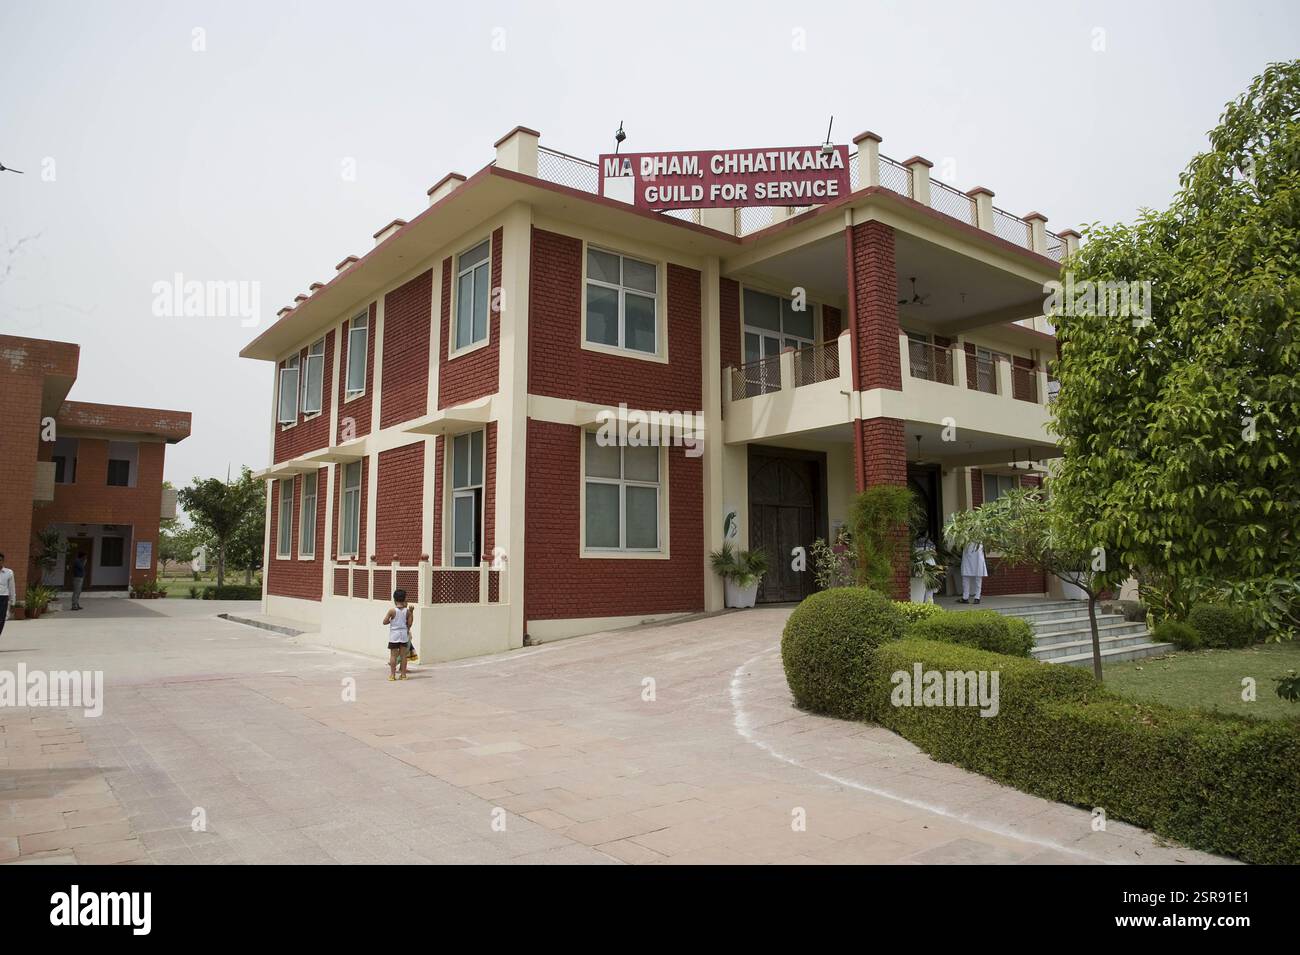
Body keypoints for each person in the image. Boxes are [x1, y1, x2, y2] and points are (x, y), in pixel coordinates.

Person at [382, 589, 414, 682]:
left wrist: (390, 620)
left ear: (394, 599)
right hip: (403, 634)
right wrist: (411, 613)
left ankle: (392, 675)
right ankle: (403, 675)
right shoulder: (407, 611)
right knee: (404, 656)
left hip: (394, 635)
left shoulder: (392, 611)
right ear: (404, 599)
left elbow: (384, 622)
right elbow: (409, 624)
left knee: (393, 655)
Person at [959, 540, 988, 604]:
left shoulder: (978, 533)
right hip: (970, 553)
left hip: (976, 554)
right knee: (968, 577)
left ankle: (973, 597)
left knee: (974, 577)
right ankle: (970, 597)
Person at [0, 553, 13, 637]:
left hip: (3, 598)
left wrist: (13, 601)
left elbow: (12, 587)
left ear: (3, 561)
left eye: (0, 560)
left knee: (1, 620)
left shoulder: (9, 572)